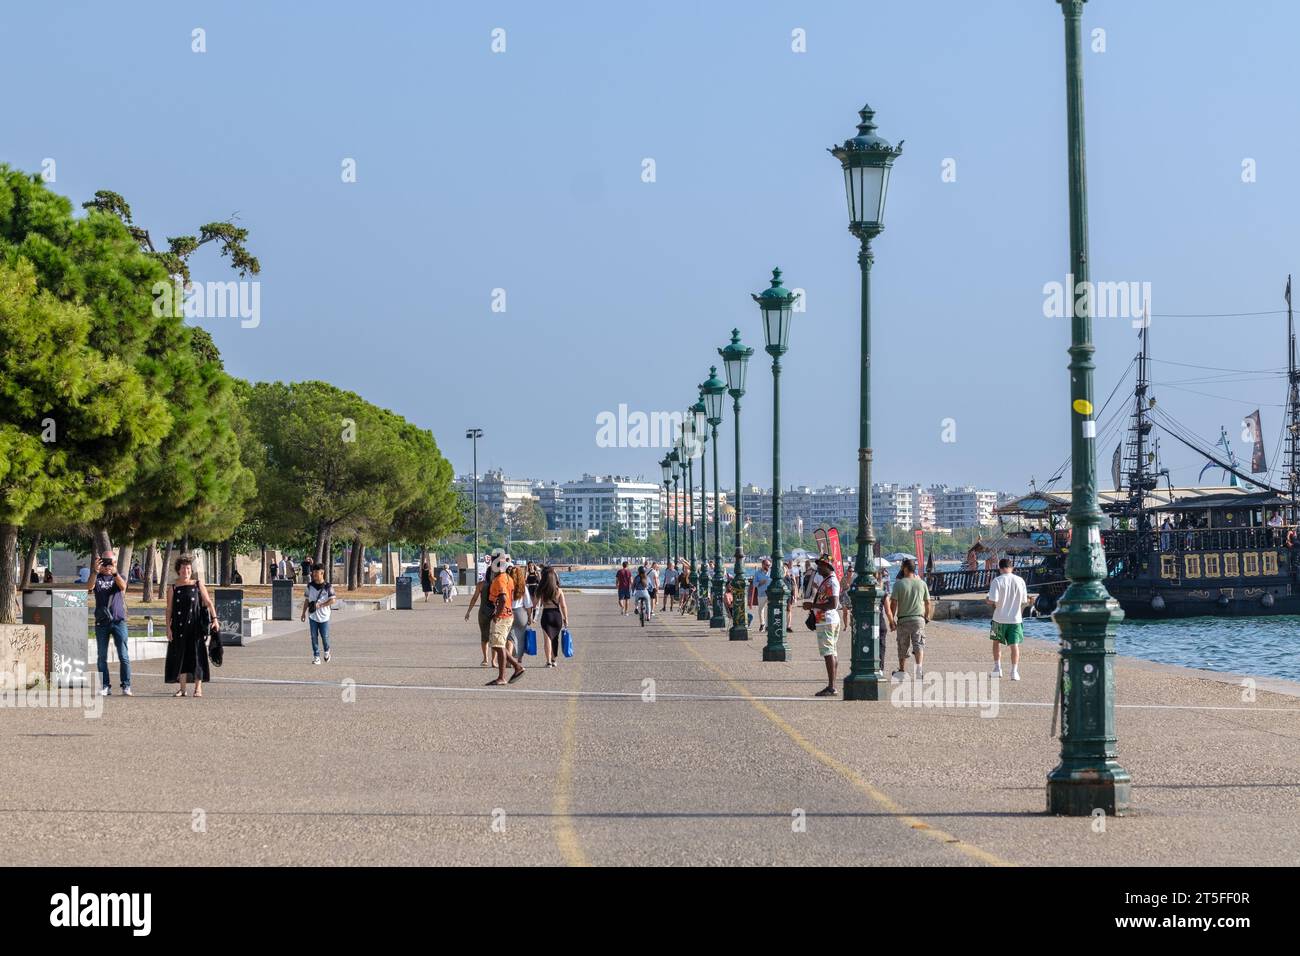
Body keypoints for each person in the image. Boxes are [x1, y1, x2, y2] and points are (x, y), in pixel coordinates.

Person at [164, 555, 219, 697]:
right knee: (181, 656)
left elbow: (208, 602)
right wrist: (168, 627)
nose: (186, 571)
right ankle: (182, 689)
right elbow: (169, 609)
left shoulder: (197, 584)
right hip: (179, 627)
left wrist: (215, 619)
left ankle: (198, 688)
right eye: (183, 568)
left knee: (197, 656)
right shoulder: (173, 588)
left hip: (195, 627)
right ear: (178, 570)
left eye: (188, 568)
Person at [89, 552, 131, 697]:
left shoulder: (119, 576)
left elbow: (123, 586)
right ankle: (105, 686)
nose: (107, 565)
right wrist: (95, 570)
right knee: (101, 657)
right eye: (105, 562)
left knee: (124, 656)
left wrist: (114, 573)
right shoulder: (97, 577)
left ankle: (126, 685)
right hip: (102, 622)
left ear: (115, 562)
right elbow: (88, 587)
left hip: (119, 621)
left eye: (110, 562)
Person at [887, 559, 932, 680]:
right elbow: (928, 602)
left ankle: (902, 671)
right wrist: (927, 616)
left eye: (902, 566)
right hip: (918, 619)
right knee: (919, 644)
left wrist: (892, 621)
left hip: (903, 619)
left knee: (903, 645)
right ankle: (919, 671)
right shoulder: (922, 583)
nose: (901, 568)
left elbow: (894, 604)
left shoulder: (898, 584)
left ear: (905, 568)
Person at [802, 556, 841, 697]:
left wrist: (812, 605)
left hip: (827, 621)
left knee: (828, 653)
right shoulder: (827, 581)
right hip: (826, 621)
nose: (818, 568)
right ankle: (832, 685)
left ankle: (831, 687)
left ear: (828, 567)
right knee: (831, 652)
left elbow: (833, 604)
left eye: (821, 565)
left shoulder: (831, 582)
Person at [486, 553, 525, 685]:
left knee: (498, 645)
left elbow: (503, 598)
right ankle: (516, 667)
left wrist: (497, 614)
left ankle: (504, 676)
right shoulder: (508, 578)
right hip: (508, 615)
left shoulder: (501, 579)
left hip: (502, 616)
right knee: (498, 645)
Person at [986, 558, 1027, 680]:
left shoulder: (997, 581)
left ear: (1000, 568)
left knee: (996, 643)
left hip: (999, 618)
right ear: (1012, 567)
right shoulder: (1020, 581)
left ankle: (997, 669)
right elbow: (1024, 601)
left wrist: (987, 599)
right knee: (1014, 645)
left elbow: (993, 600)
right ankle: (1014, 672)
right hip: (1015, 619)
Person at [464, 559, 499, 667]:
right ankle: (494, 661)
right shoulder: (498, 584)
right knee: (494, 637)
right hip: (495, 612)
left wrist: (468, 612)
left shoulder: (480, 584)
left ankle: (485, 659)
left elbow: (474, 599)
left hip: (483, 612)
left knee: (484, 637)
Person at [534, 566, 569, 667]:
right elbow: (563, 606)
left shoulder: (541, 590)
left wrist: (531, 615)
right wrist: (566, 618)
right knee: (555, 638)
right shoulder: (559, 590)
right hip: (557, 615)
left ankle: (548, 661)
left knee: (547, 639)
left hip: (546, 615)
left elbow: (534, 603)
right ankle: (554, 659)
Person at [301, 566, 337, 664]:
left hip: (324, 616)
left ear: (322, 573)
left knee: (324, 636)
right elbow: (307, 600)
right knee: (313, 636)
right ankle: (316, 656)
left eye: (316, 573)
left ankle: (326, 651)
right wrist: (303, 613)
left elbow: (333, 600)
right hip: (312, 615)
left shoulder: (328, 587)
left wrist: (321, 605)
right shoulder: (310, 586)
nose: (314, 575)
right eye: (313, 573)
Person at [876, 567, 893, 669]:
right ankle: (881, 668)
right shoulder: (883, 593)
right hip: (880, 622)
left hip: (868, 624)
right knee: (881, 646)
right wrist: (892, 622)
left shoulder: (868, 592)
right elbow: (888, 611)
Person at [751, 559, 772, 632]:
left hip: (770, 594)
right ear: (763, 565)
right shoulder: (757, 573)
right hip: (761, 593)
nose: (768, 566)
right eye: (767, 565)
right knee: (760, 610)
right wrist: (760, 583)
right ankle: (762, 623)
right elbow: (754, 584)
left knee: (770, 609)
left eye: (769, 565)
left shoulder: (772, 572)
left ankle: (768, 625)